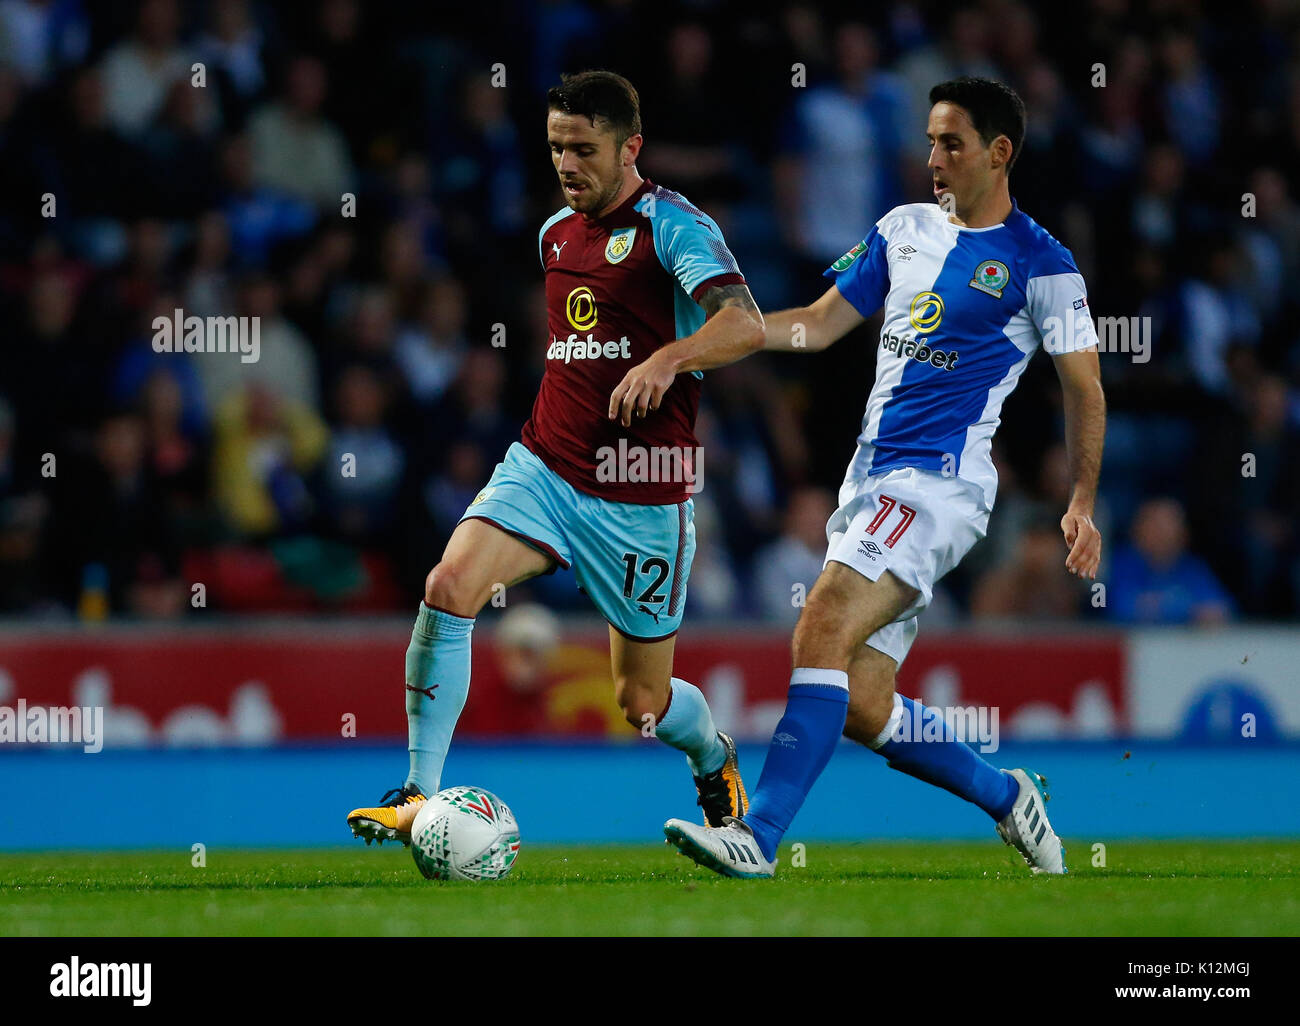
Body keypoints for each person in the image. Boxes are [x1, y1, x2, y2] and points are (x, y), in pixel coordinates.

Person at [665, 77, 1105, 877]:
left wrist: (1080, 500)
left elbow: (1085, 385)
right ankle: (1008, 797)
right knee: (864, 698)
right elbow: (820, 325)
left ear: (999, 152)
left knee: (820, 624)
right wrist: (727, 336)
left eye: (951, 144)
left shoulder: (1044, 264)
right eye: (929, 141)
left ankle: (758, 836)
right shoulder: (901, 229)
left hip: (940, 488)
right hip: (869, 483)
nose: (931, 158)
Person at [347, 71, 764, 845]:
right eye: (555, 148)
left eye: (584, 149)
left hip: (641, 497)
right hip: (544, 467)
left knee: (640, 701)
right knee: (448, 584)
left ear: (630, 146)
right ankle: (415, 793)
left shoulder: (672, 225)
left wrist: (669, 359)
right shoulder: (554, 235)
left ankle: (714, 754)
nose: (567, 164)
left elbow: (746, 326)